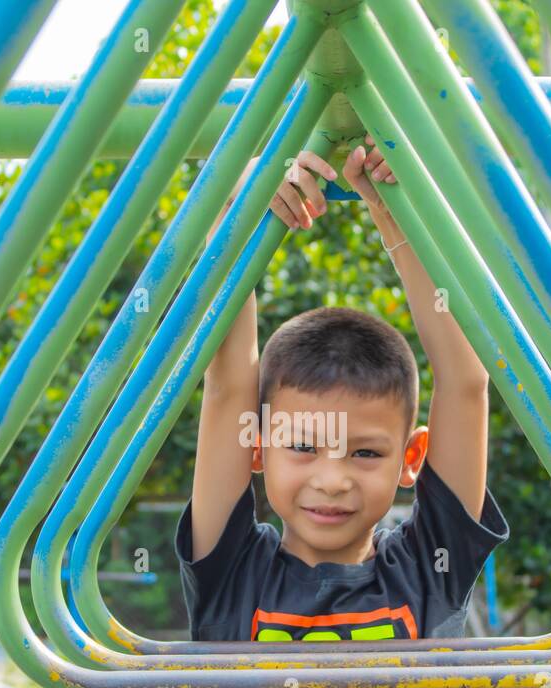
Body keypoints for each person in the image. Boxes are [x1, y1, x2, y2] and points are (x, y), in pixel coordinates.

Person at [175, 138, 508, 649]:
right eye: (304, 447)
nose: (332, 481)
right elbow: (228, 386)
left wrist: (399, 214)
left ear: (411, 457)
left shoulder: (431, 566)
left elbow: (465, 382)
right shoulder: (232, 567)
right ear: (256, 446)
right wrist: (238, 206)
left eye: (366, 453)